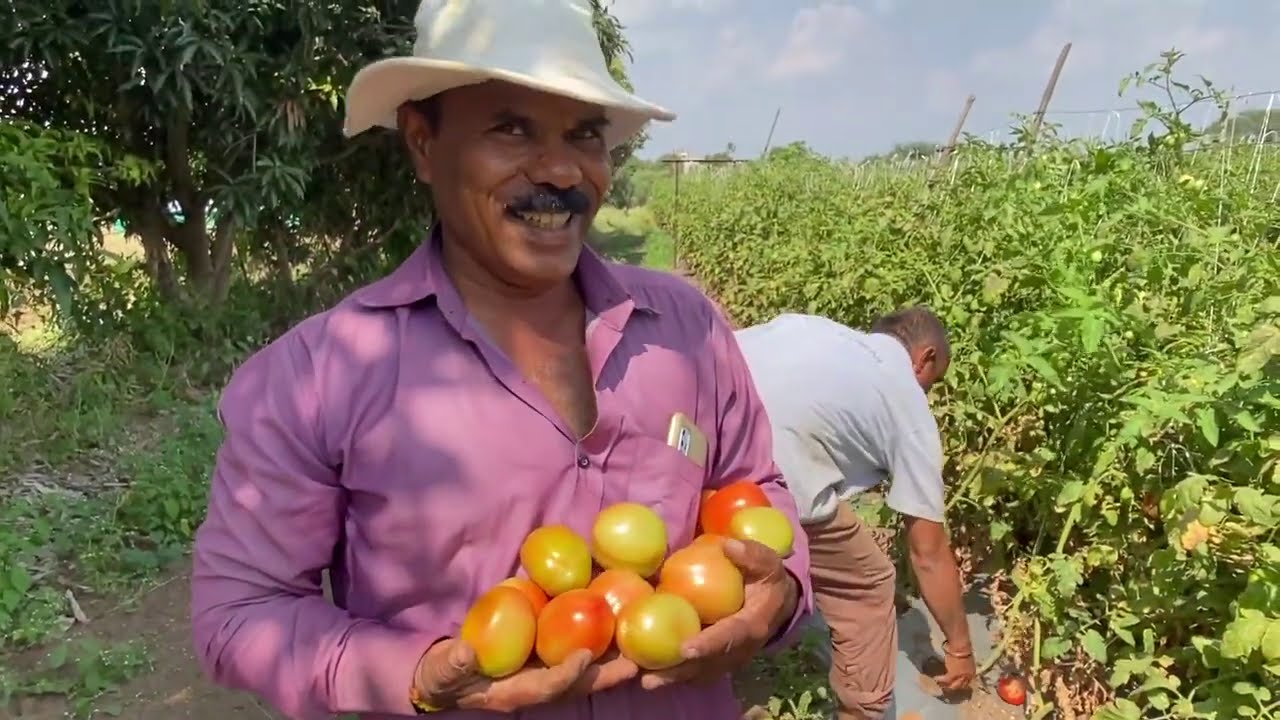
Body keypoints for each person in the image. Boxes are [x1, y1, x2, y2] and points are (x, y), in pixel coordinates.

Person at [188, 1, 812, 718]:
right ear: (423, 143)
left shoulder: (685, 327)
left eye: (584, 134)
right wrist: (413, 674)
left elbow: (753, 485)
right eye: (511, 129)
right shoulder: (316, 378)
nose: (560, 169)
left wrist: (780, 592)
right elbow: (241, 612)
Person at [734, 307, 975, 720]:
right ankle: (861, 711)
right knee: (869, 584)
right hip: (770, 485)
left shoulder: (806, 326)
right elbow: (928, 554)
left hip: (695, 443)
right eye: (932, 383)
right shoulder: (909, 406)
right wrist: (961, 647)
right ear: (926, 358)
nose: (927, 394)